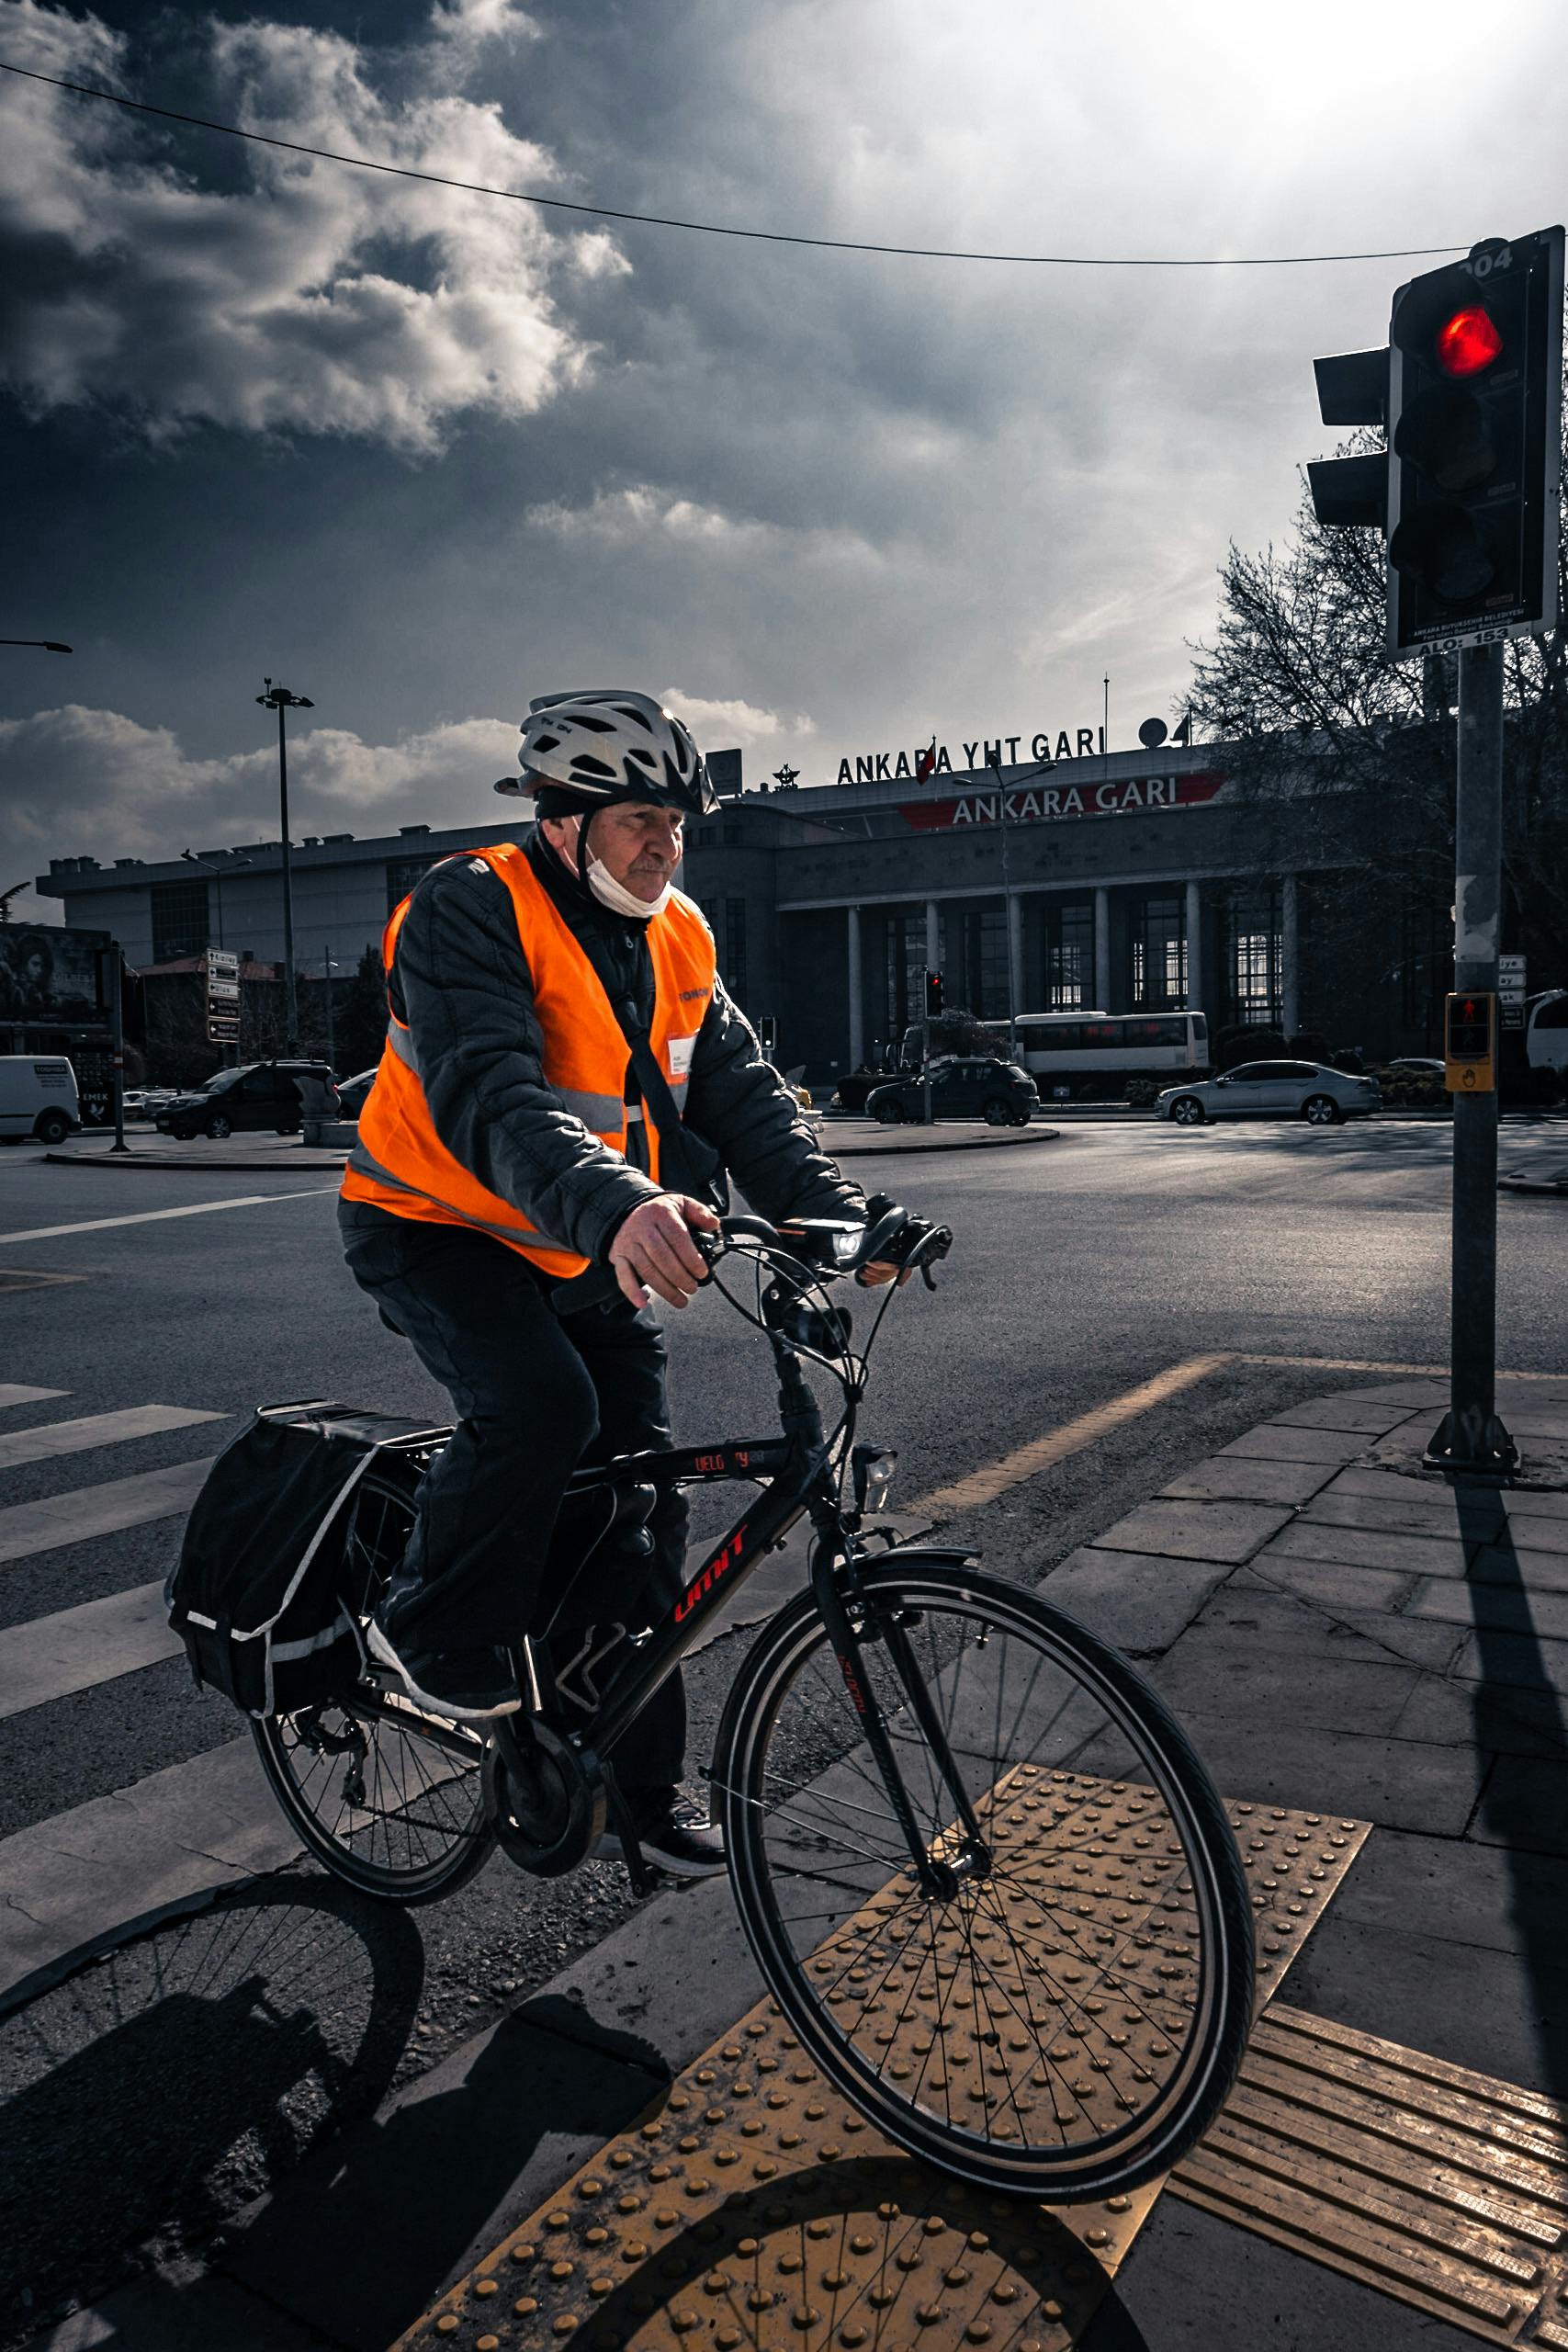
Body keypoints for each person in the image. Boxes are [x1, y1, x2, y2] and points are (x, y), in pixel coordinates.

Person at [338, 689, 897, 1878]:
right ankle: (421, 1635)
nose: (666, 844)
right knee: (545, 1410)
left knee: (641, 1514)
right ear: (563, 824)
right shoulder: (467, 907)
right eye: (640, 817)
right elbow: (493, 1096)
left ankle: (641, 1793)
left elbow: (742, 1095)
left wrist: (845, 1219)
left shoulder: (681, 933)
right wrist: (625, 1204)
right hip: (437, 1224)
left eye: (678, 822)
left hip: (588, 1242)